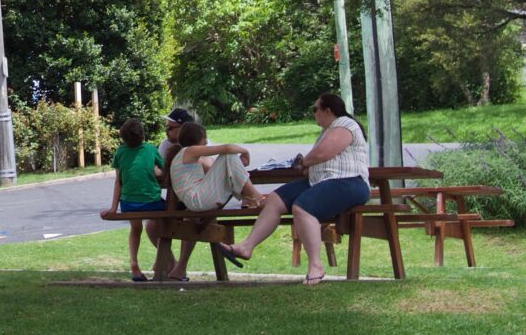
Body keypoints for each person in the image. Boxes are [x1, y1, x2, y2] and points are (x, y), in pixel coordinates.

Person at [223, 93, 371, 285]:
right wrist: (308, 168)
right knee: (275, 199)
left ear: (328, 111)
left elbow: (324, 152)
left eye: (315, 109)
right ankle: (246, 247)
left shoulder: (344, 124)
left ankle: (315, 266)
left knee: (303, 208)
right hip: (323, 181)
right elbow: (325, 160)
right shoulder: (327, 131)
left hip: (350, 182)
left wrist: (305, 162)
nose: (313, 113)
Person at [107, 118, 166, 281]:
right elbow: (163, 170)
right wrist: (155, 172)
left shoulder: (120, 152)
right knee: (165, 226)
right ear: (142, 134)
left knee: (135, 228)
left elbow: (118, 181)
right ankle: (160, 260)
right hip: (152, 202)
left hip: (128, 204)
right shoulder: (150, 149)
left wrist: (113, 208)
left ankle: (134, 262)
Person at [167, 122, 265, 212]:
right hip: (198, 200)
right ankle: (254, 197)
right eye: (204, 139)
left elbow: (218, 173)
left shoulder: (183, 155)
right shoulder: (189, 151)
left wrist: (235, 166)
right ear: (198, 139)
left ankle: (249, 198)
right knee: (228, 155)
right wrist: (245, 151)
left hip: (195, 201)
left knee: (229, 157)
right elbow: (228, 148)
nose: (206, 142)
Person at [155, 110, 198, 280]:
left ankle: (181, 268)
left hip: (197, 200)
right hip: (175, 201)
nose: (167, 131)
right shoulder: (166, 145)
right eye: (166, 127)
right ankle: (172, 265)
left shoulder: (202, 145)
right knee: (152, 224)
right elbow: (157, 168)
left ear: (184, 128)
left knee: (190, 219)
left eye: (171, 127)